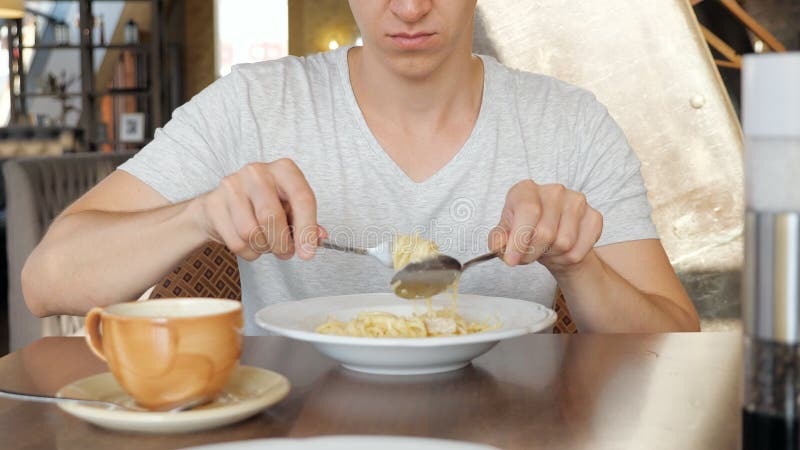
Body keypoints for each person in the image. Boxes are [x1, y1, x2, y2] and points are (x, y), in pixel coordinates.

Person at [22, 1, 700, 334]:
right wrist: (196, 214)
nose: (408, 6)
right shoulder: (255, 105)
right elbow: (47, 280)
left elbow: (676, 340)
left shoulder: (570, 124)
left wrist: (578, 265)